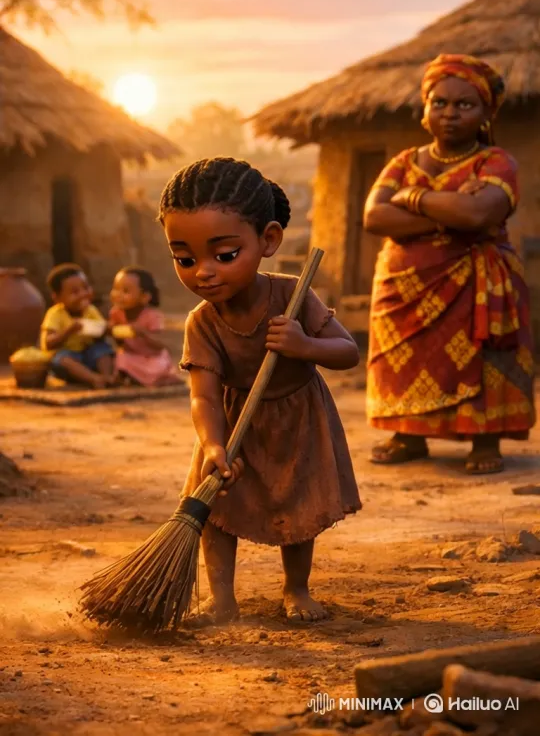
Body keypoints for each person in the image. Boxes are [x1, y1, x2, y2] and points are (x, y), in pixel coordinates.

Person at [158, 157, 361, 624]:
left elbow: (347, 352)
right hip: (232, 424)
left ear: (268, 240)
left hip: (297, 418)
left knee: (298, 503)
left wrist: (304, 344)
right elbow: (204, 395)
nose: (203, 272)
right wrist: (213, 444)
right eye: (185, 259)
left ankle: (296, 588)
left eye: (224, 255)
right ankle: (221, 599)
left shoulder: (292, 295)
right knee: (216, 508)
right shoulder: (202, 322)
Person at [363, 53, 535, 474]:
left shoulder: (497, 163)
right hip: (404, 285)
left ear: (484, 114)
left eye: (464, 104)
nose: (450, 113)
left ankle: (484, 437)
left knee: (483, 354)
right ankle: (409, 435)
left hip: (477, 281)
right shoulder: (403, 162)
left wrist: (415, 198)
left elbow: (481, 215)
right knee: (408, 360)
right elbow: (373, 216)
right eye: (439, 103)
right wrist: (450, 208)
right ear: (424, 111)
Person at [41, 263, 114, 389]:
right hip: (69, 358)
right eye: (75, 292)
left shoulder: (90, 310)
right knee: (62, 360)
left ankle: (106, 376)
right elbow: (48, 343)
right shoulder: (55, 314)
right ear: (57, 298)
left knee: (102, 349)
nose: (83, 294)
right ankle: (93, 378)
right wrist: (69, 330)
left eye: (86, 288)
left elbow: (101, 331)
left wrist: (107, 328)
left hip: (89, 355)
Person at [109, 266, 180, 387]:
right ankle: (127, 378)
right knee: (121, 357)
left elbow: (160, 344)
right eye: (116, 289)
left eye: (125, 291)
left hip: (152, 357)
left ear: (144, 297)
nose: (118, 295)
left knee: (158, 366)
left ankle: (159, 378)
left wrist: (143, 333)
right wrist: (112, 331)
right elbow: (120, 344)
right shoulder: (115, 313)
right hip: (132, 355)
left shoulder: (152, 315)